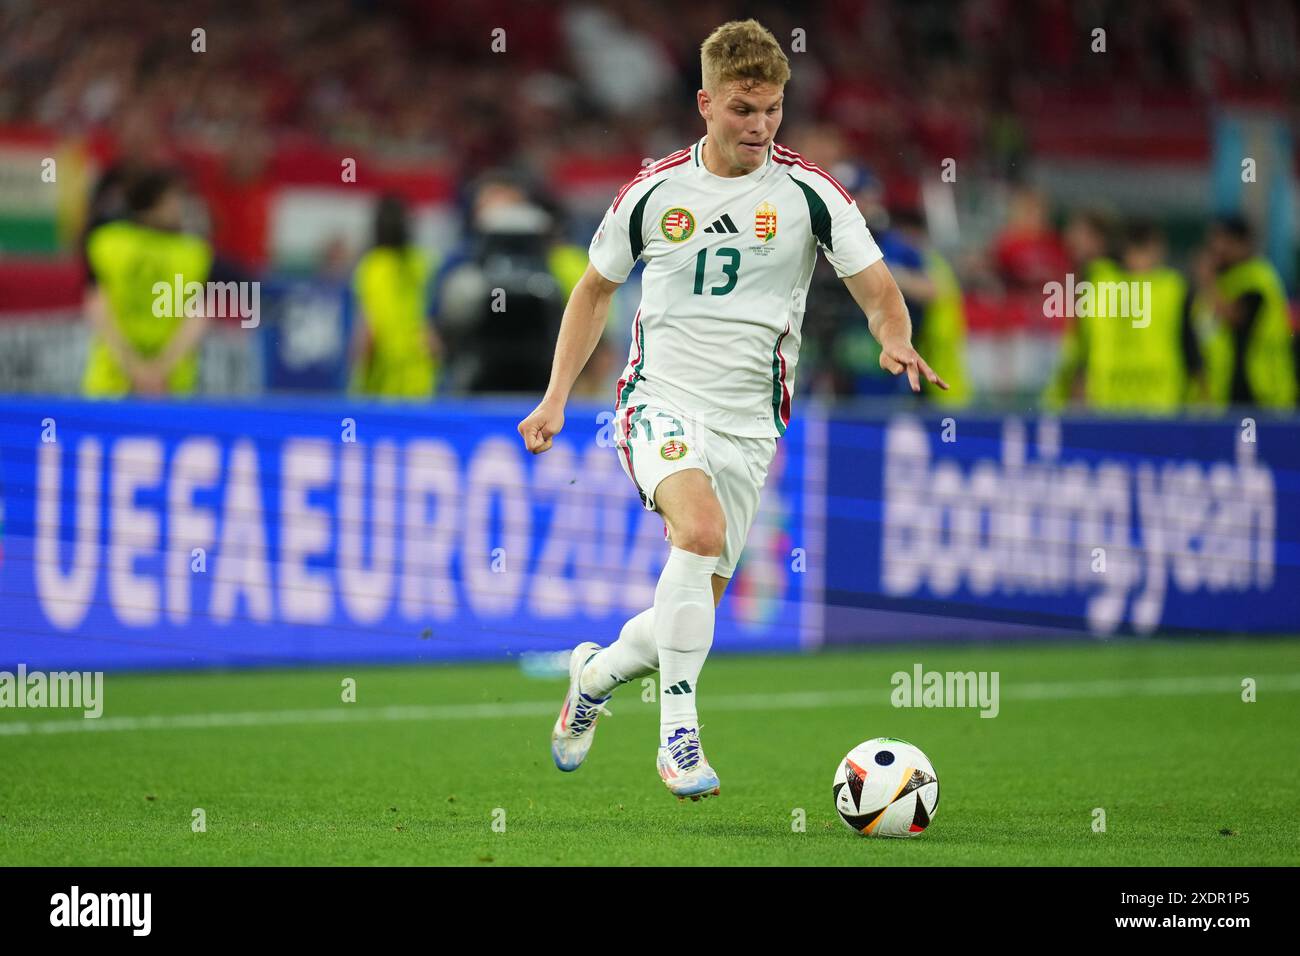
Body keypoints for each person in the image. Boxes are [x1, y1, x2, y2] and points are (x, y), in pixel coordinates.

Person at [517, 19, 946, 801]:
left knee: (688, 612)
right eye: (745, 109)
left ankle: (594, 675)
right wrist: (554, 398)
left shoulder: (812, 195)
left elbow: (880, 292)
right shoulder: (651, 194)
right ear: (706, 103)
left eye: (774, 109)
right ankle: (677, 735)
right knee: (700, 531)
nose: (761, 126)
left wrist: (896, 338)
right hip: (659, 401)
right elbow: (593, 293)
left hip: (752, 425)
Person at [82, 170, 212, 398]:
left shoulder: (106, 242)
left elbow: (97, 309)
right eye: (174, 200)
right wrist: (158, 371)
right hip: (168, 384)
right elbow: (197, 317)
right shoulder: (193, 253)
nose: (180, 208)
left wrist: (134, 369)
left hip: (113, 379)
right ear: (156, 202)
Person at [1193, 215, 1296, 409]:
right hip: (1225, 392)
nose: (1216, 249)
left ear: (1241, 243)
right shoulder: (1224, 281)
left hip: (1261, 390)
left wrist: (1207, 280)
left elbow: (1235, 315)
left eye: (1222, 241)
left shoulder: (1258, 278)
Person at [349, 194, 440, 399]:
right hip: (420, 365)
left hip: (382, 370)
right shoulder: (425, 262)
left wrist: (356, 372)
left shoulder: (370, 267)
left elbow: (367, 328)